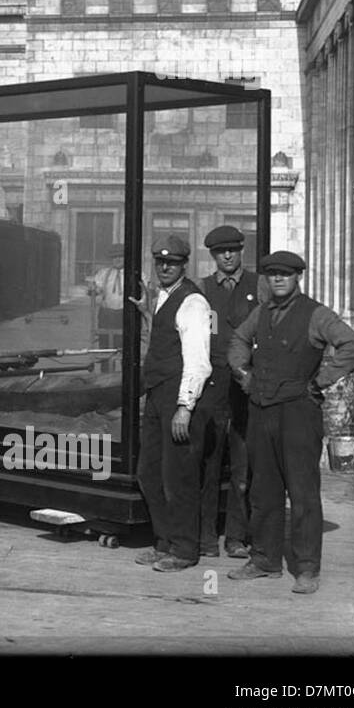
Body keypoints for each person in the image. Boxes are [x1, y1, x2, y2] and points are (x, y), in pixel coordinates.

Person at [226, 251, 354, 594]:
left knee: (303, 493)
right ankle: (264, 560)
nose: (278, 279)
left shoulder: (315, 314)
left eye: (285, 274)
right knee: (263, 490)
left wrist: (321, 381)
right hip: (261, 410)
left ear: (297, 277)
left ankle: (306, 569)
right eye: (272, 274)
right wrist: (244, 375)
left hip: (299, 413)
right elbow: (237, 341)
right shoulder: (261, 313)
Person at [128, 235, 213, 573]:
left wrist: (184, 406)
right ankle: (163, 542)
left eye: (172, 263)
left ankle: (184, 549)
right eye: (159, 261)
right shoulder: (164, 296)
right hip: (158, 394)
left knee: (178, 477)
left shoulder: (193, 302)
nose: (164, 267)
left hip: (178, 397)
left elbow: (198, 360)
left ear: (184, 265)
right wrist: (149, 316)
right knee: (148, 472)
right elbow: (165, 339)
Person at [197, 225, 269, 559]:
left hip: (245, 387)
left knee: (244, 467)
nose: (227, 256)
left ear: (242, 251)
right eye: (220, 251)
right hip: (212, 386)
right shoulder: (202, 289)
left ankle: (237, 537)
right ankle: (206, 537)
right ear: (212, 255)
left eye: (233, 250)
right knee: (207, 464)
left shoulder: (260, 286)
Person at [86, 243, 127, 338]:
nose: (117, 259)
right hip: (107, 314)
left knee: (123, 342)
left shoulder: (134, 273)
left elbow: (144, 292)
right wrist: (93, 288)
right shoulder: (103, 273)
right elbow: (96, 287)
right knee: (105, 339)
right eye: (114, 257)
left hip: (126, 314)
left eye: (120, 256)